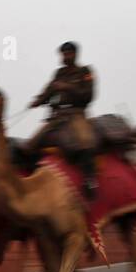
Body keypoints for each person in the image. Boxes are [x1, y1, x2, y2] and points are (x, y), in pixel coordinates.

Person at [28, 41, 98, 197]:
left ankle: (90, 181)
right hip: (57, 116)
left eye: (69, 53)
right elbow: (48, 91)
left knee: (85, 142)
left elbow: (88, 95)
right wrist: (37, 101)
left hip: (76, 114)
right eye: (64, 54)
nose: (66, 56)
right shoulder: (59, 74)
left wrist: (67, 87)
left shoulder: (85, 72)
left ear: (75, 54)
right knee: (31, 144)